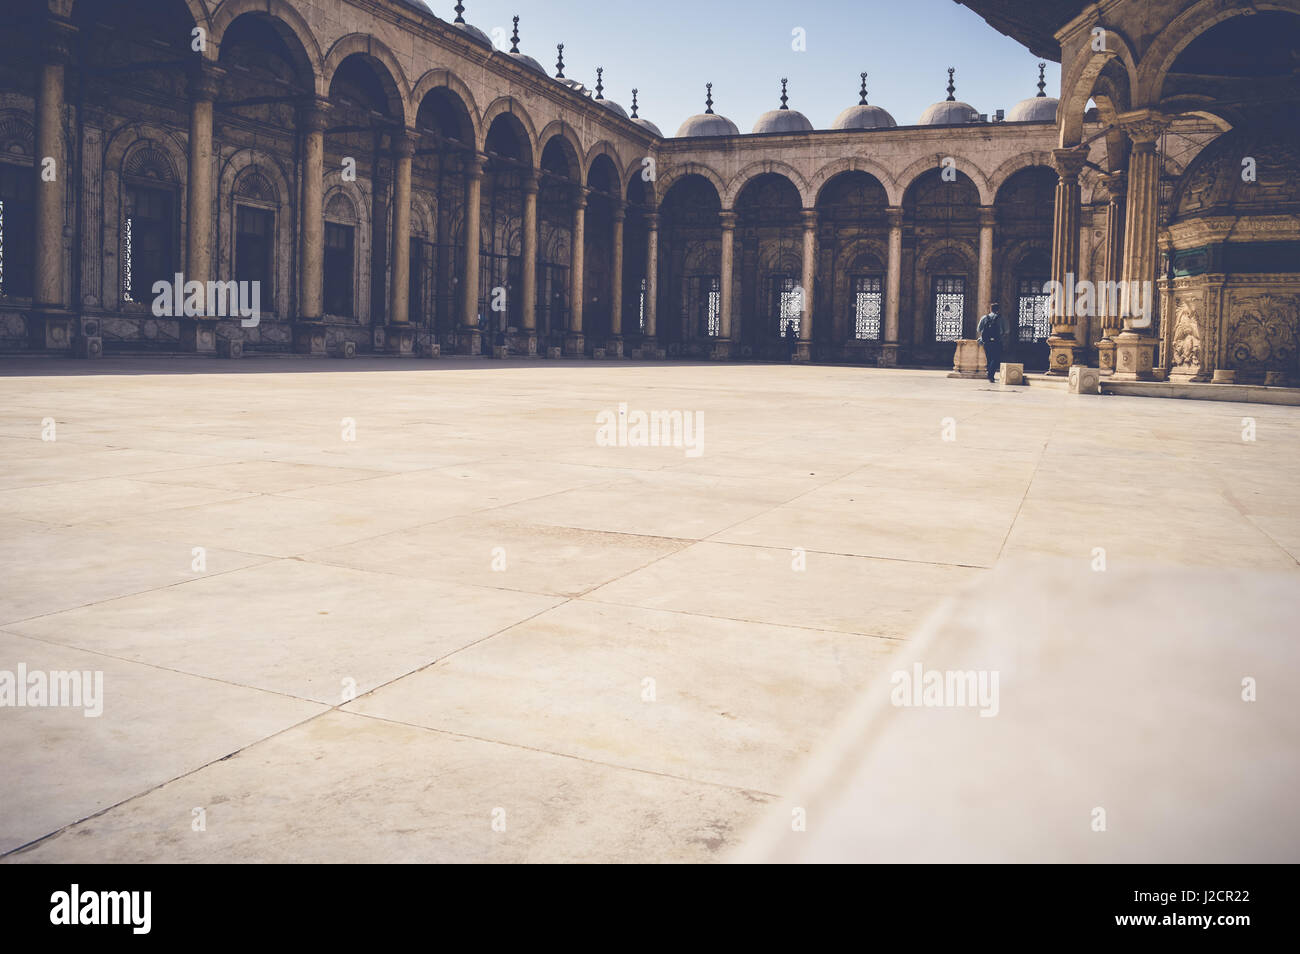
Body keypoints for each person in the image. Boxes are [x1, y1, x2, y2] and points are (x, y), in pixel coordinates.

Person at [977, 302, 1003, 384]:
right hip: (997, 341)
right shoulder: (1002, 318)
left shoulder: (984, 318)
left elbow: (978, 329)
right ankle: (991, 375)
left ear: (990, 309)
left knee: (989, 358)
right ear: (998, 309)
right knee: (995, 359)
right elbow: (1007, 330)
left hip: (986, 341)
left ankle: (989, 374)